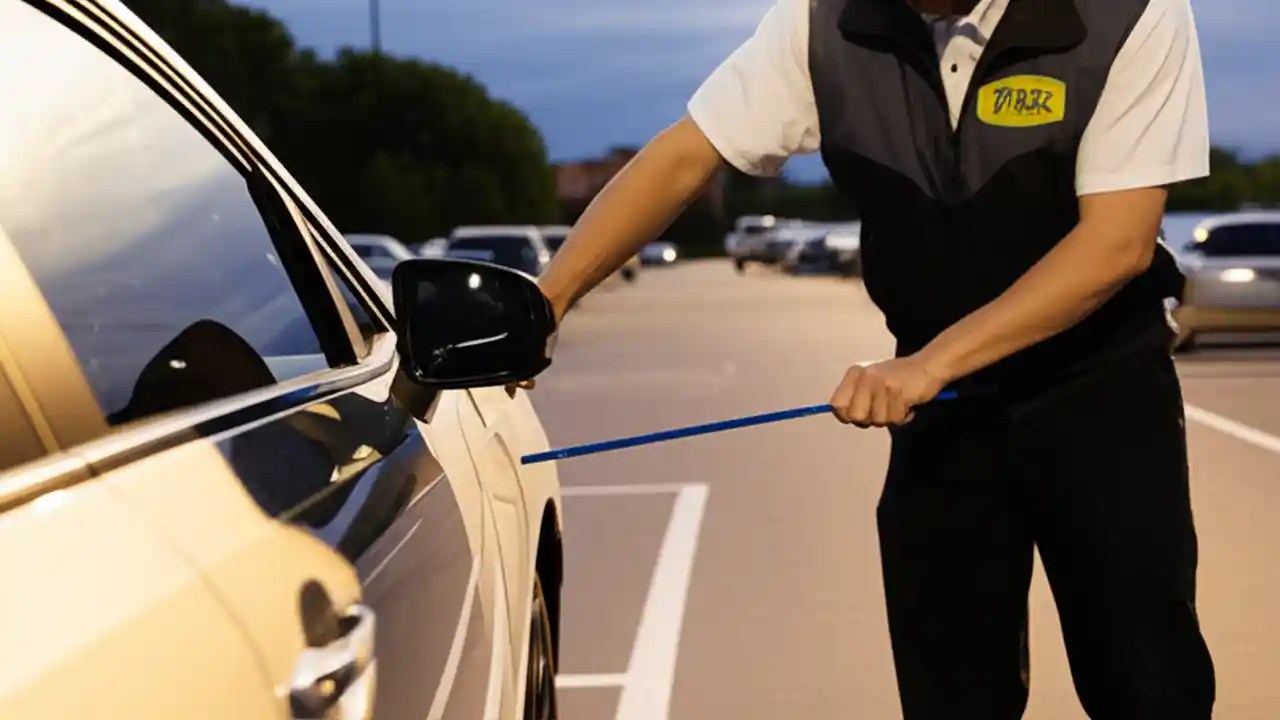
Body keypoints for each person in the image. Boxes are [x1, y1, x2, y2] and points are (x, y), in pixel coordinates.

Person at [535, 0, 1215, 716]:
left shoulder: (1129, 14)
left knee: (1147, 685)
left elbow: (1116, 245)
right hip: (944, 417)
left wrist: (932, 363)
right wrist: (548, 301)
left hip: (1100, 397)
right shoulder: (821, 22)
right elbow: (686, 154)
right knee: (950, 696)